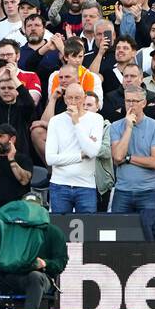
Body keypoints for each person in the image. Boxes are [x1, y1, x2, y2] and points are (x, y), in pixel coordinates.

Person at [45, 82, 107, 213]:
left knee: (89, 230)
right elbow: (50, 159)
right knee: (59, 230)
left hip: (86, 186)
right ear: (65, 99)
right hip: (59, 184)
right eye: (69, 98)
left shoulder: (96, 119)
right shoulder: (55, 121)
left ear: (84, 98)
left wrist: (76, 123)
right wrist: (80, 156)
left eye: (77, 98)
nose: (73, 102)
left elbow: (92, 151)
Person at [108, 85, 155, 213]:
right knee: (119, 230)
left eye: (135, 101)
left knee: (150, 231)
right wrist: (129, 127)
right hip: (123, 190)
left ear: (144, 103)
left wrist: (128, 158)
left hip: (149, 191)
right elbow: (117, 157)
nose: (131, 104)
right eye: (128, 101)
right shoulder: (116, 126)